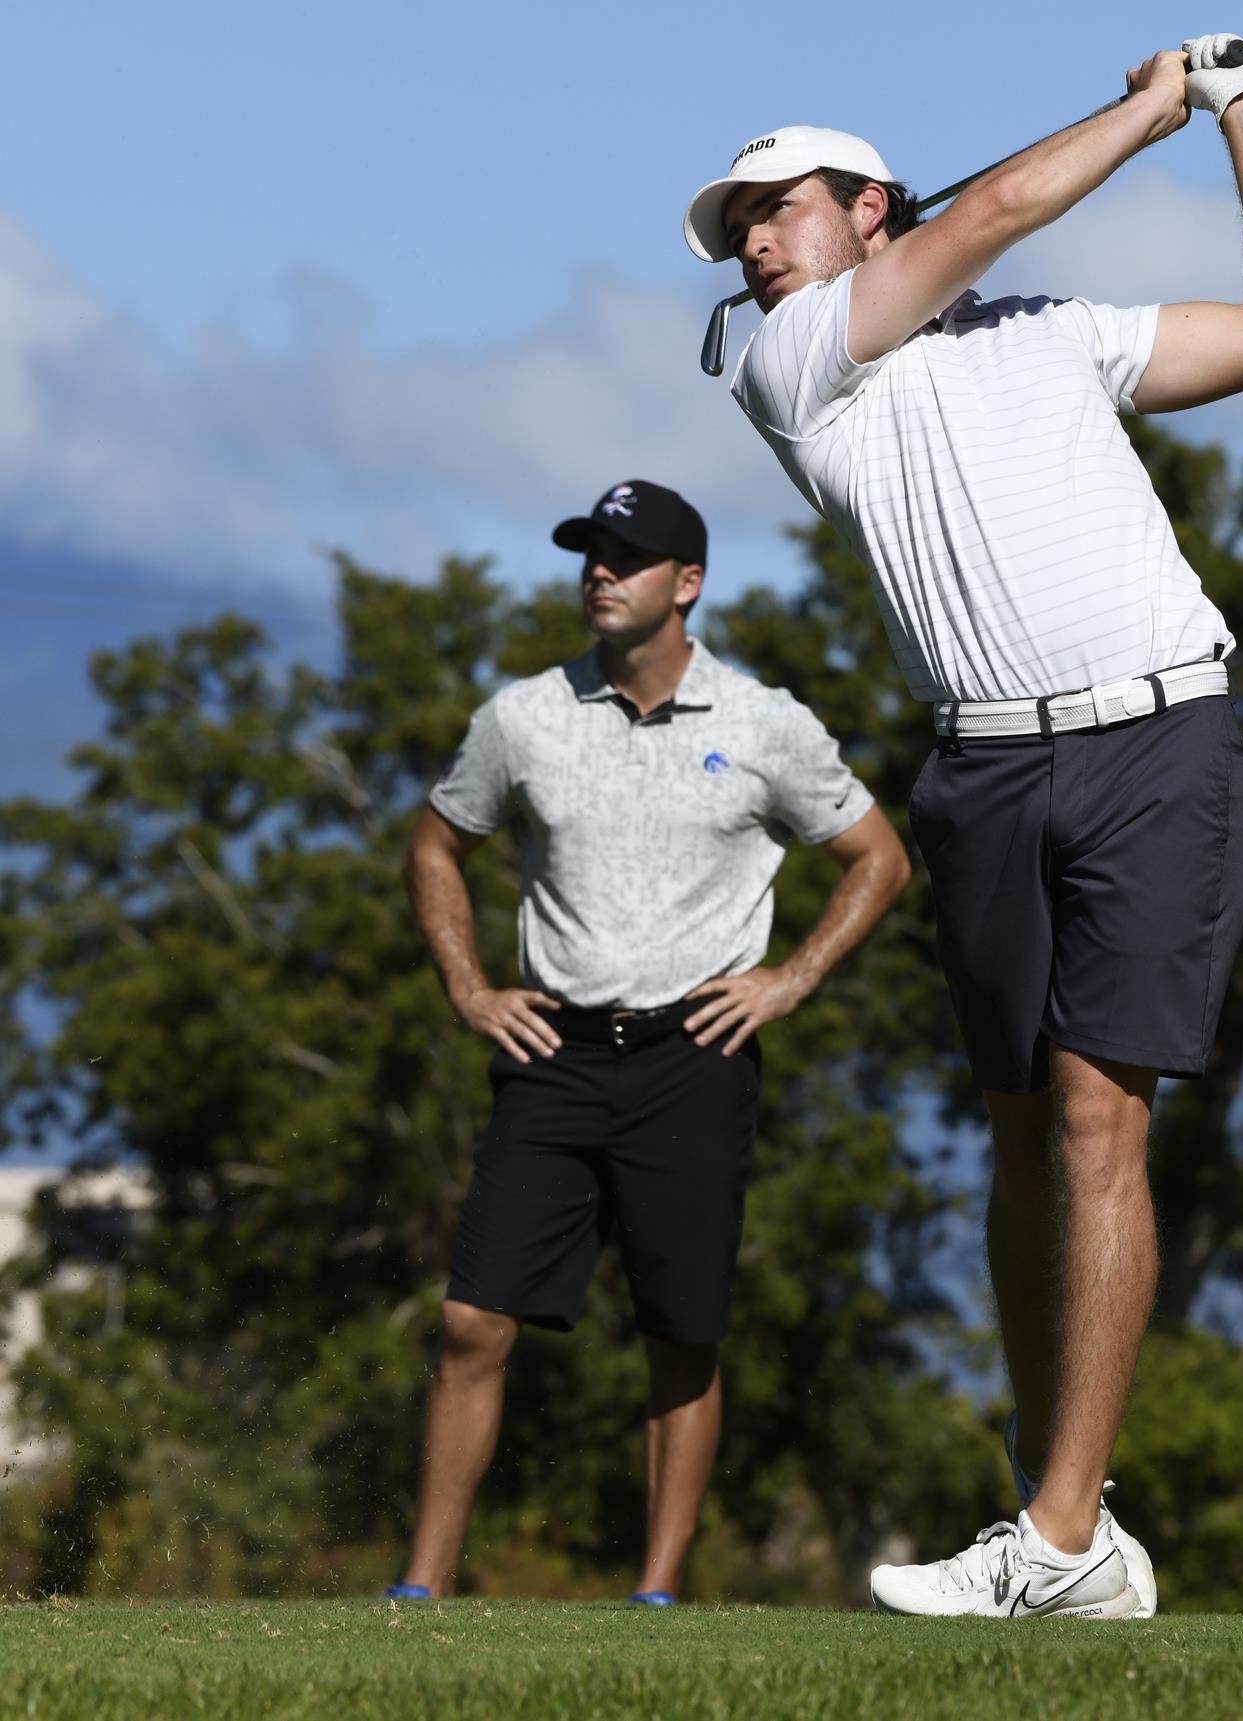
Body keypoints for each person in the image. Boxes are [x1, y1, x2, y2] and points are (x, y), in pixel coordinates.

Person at [682, 36, 1243, 1618]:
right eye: (739, 227)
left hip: (1159, 740)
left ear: (867, 207)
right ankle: (1073, 1517)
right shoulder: (791, 363)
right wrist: (1148, 104)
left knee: (1104, 1119)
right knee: (1021, 1134)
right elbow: (987, 224)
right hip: (979, 775)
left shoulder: (1052, 337)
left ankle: (1053, 1542)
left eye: (780, 210)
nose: (754, 243)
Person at [386, 479, 910, 1605]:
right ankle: (420, 1586)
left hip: (694, 1057)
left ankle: (656, 1593)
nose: (599, 574)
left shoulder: (765, 722)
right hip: (552, 1051)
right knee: (473, 1314)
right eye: (589, 554)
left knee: (681, 1330)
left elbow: (879, 856)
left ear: (688, 584)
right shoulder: (521, 717)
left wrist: (788, 981)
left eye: (625, 558)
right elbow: (437, 844)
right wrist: (471, 987)